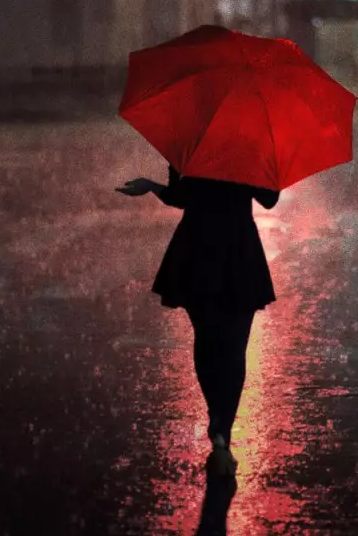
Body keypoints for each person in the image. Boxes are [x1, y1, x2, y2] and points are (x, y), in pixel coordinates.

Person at [117, 164, 280, 477]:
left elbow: (180, 197)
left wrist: (151, 185)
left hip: (196, 250)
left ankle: (216, 414)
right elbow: (269, 200)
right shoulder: (250, 151)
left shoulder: (193, 144)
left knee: (206, 339)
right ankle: (223, 425)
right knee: (234, 347)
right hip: (238, 251)